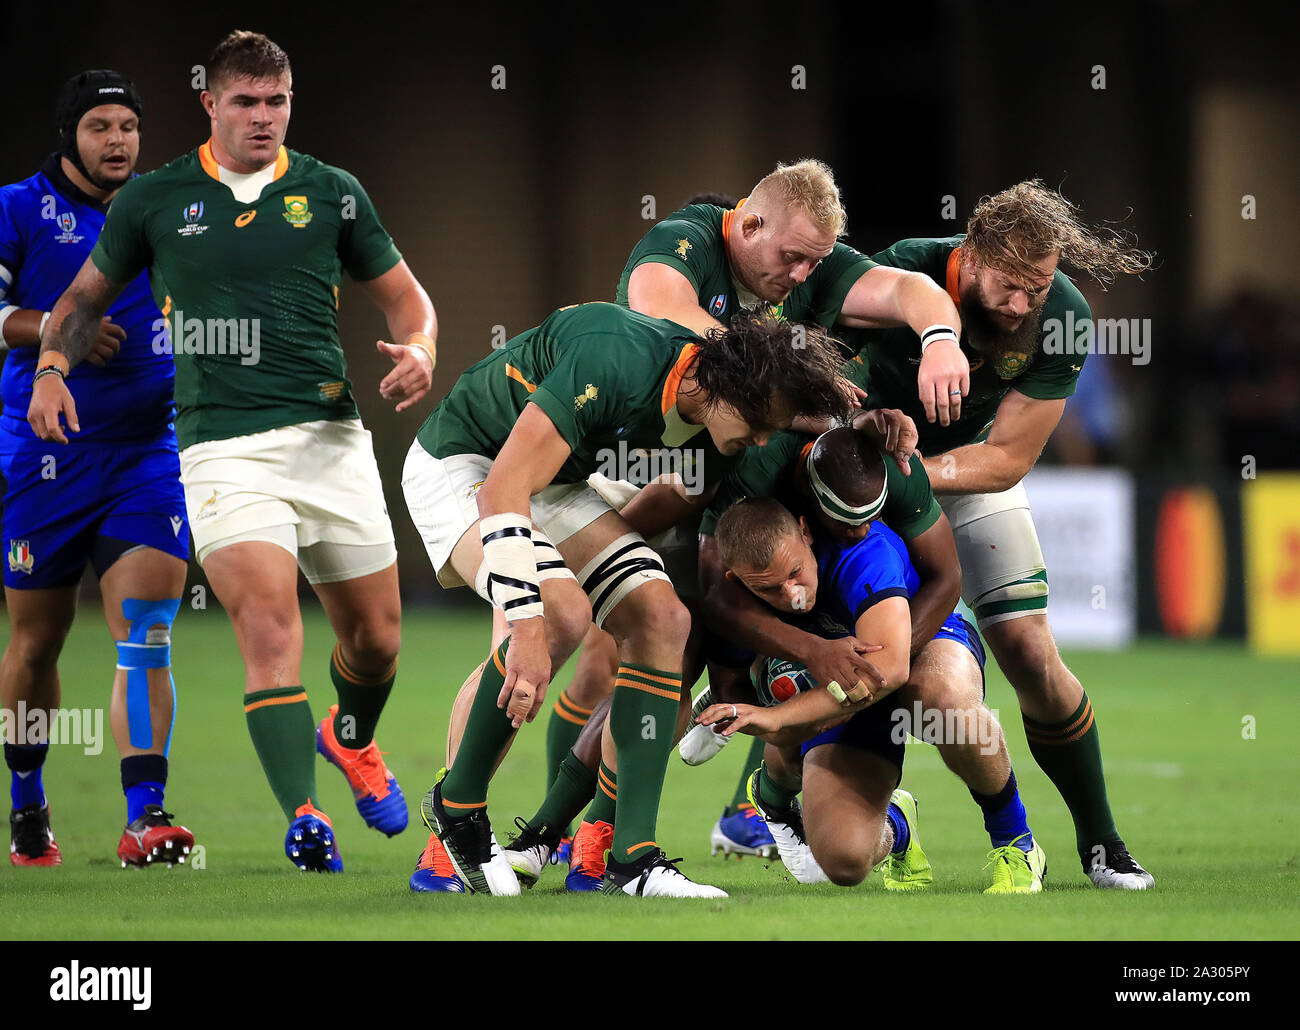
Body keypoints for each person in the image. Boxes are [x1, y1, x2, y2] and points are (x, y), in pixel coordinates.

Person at [27, 32, 438, 872]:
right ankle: (305, 819)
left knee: (378, 643)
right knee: (267, 624)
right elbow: (79, 301)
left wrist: (423, 348)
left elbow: (406, 300)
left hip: (331, 440)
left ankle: (349, 737)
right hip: (221, 448)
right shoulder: (157, 200)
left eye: (277, 101)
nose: (263, 116)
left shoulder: (332, 192)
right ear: (209, 103)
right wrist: (52, 368)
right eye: (246, 102)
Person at [402, 302, 846, 897]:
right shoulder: (614, 358)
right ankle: (457, 809)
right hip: (463, 463)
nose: (765, 439)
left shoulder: (722, 421)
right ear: (724, 386)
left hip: (556, 483)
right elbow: (505, 485)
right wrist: (528, 625)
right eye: (763, 421)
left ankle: (631, 860)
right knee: (559, 613)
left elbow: (658, 503)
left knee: (662, 618)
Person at [849, 180, 1155, 888]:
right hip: (871, 482)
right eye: (1009, 287)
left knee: (1029, 649)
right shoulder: (903, 274)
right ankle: (767, 803)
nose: (1022, 306)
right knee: (842, 632)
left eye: (1037, 289)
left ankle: (1101, 841)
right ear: (971, 254)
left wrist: (919, 472)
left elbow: (1010, 458)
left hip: (959, 473)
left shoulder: (1065, 316)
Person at [697, 429, 1047, 893]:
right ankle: (893, 825)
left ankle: (1016, 842)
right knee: (844, 860)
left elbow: (889, 671)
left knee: (945, 702)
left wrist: (780, 713)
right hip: (838, 678)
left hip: (914, 641)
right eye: (770, 589)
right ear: (734, 578)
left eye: (797, 573)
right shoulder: (737, 601)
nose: (793, 595)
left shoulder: (865, 552)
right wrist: (763, 710)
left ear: (806, 530)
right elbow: (733, 689)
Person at [1, 70, 195, 868]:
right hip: (43, 454)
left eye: (128, 126)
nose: (117, 141)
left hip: (148, 451)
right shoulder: (16, 207)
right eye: (99, 127)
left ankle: (145, 818)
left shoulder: (166, 205)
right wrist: (59, 328)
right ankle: (26, 801)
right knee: (37, 644)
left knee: (147, 633)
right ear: (69, 136)